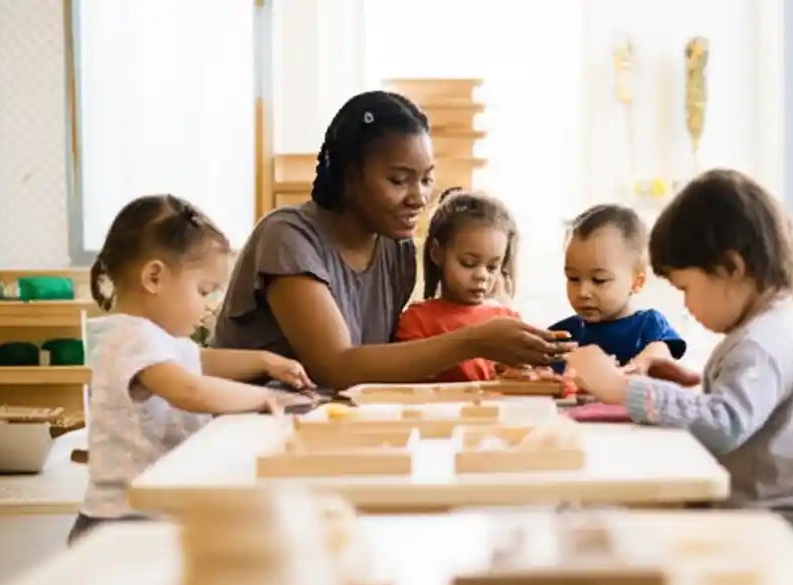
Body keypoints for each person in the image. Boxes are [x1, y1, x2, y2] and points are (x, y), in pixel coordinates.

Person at [566, 169, 793, 550]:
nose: (686, 303)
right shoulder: (772, 325)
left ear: (731, 269)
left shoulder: (762, 343)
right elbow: (747, 407)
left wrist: (622, 388)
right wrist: (687, 384)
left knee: (618, 529)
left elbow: (725, 424)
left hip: (784, 518)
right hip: (788, 507)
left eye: (686, 288)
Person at [210, 90, 572, 389]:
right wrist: (474, 340)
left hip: (333, 420)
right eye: (399, 180)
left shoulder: (394, 248)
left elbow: (381, 364)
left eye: (426, 179)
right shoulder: (288, 237)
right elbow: (336, 368)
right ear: (351, 177)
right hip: (252, 421)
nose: (418, 197)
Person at [75, 195, 312, 545]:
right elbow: (191, 390)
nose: (209, 306)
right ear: (154, 277)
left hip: (149, 512)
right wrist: (263, 396)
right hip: (123, 521)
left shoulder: (154, 339)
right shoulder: (129, 336)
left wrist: (264, 361)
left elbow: (199, 361)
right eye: (204, 291)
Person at [396, 190, 521, 382]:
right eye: (468, 263)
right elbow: (406, 380)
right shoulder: (417, 320)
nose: (482, 276)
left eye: (492, 267)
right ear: (437, 254)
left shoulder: (508, 321)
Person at [549, 204, 684, 373]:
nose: (583, 292)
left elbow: (658, 356)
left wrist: (636, 368)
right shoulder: (564, 334)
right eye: (573, 278)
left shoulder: (649, 326)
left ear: (637, 282)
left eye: (599, 280)